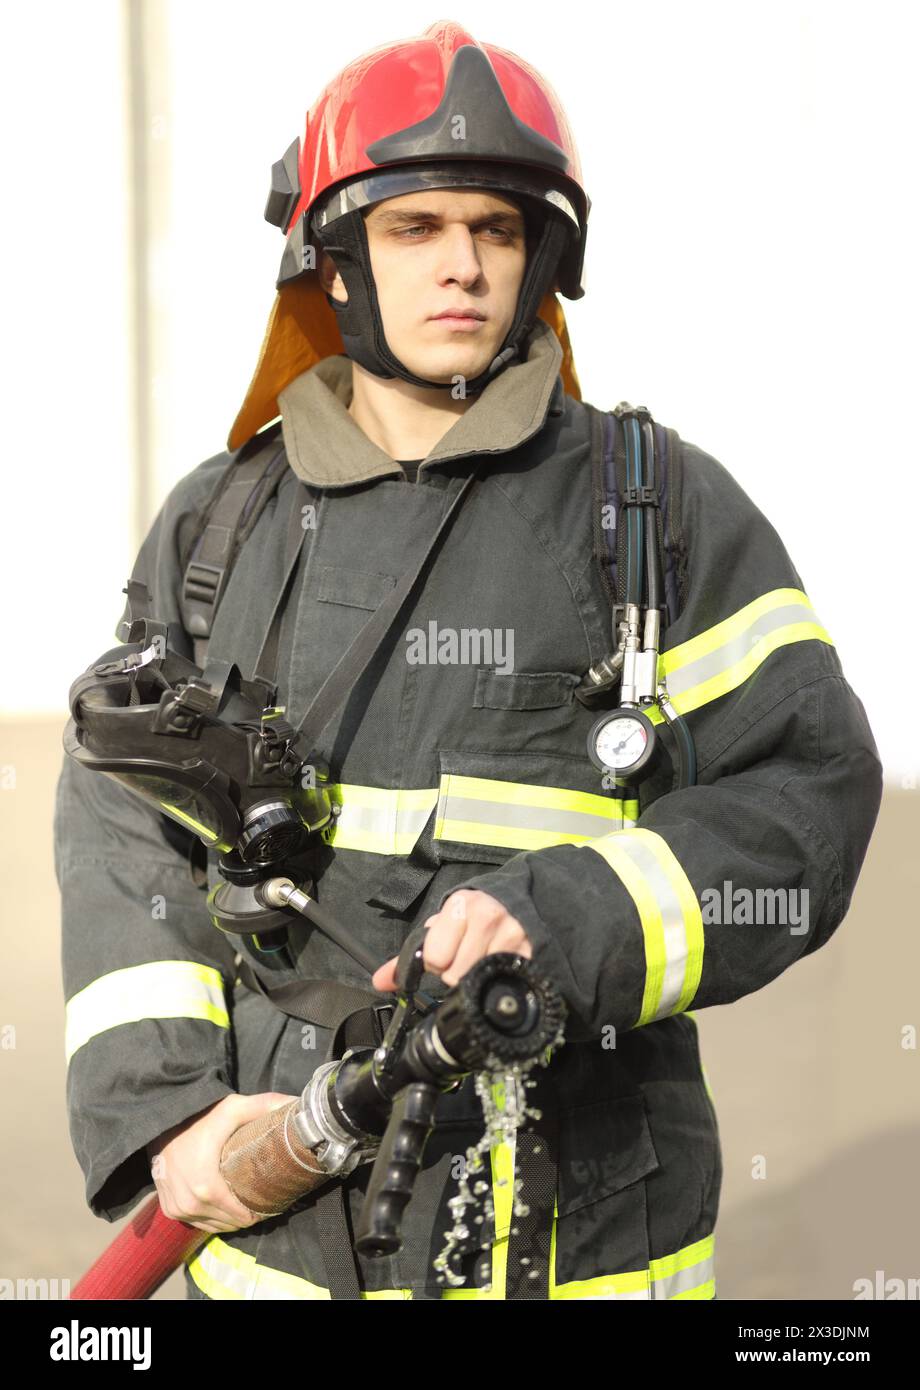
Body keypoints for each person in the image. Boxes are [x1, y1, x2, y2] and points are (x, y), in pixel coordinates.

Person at [55, 20, 883, 1301]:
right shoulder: (222, 526)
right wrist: (171, 1117)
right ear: (332, 264)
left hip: (584, 1234)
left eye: (496, 231)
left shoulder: (653, 511)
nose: (462, 267)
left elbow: (808, 796)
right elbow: (125, 829)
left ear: (540, 254)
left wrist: (576, 917)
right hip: (281, 1232)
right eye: (414, 228)